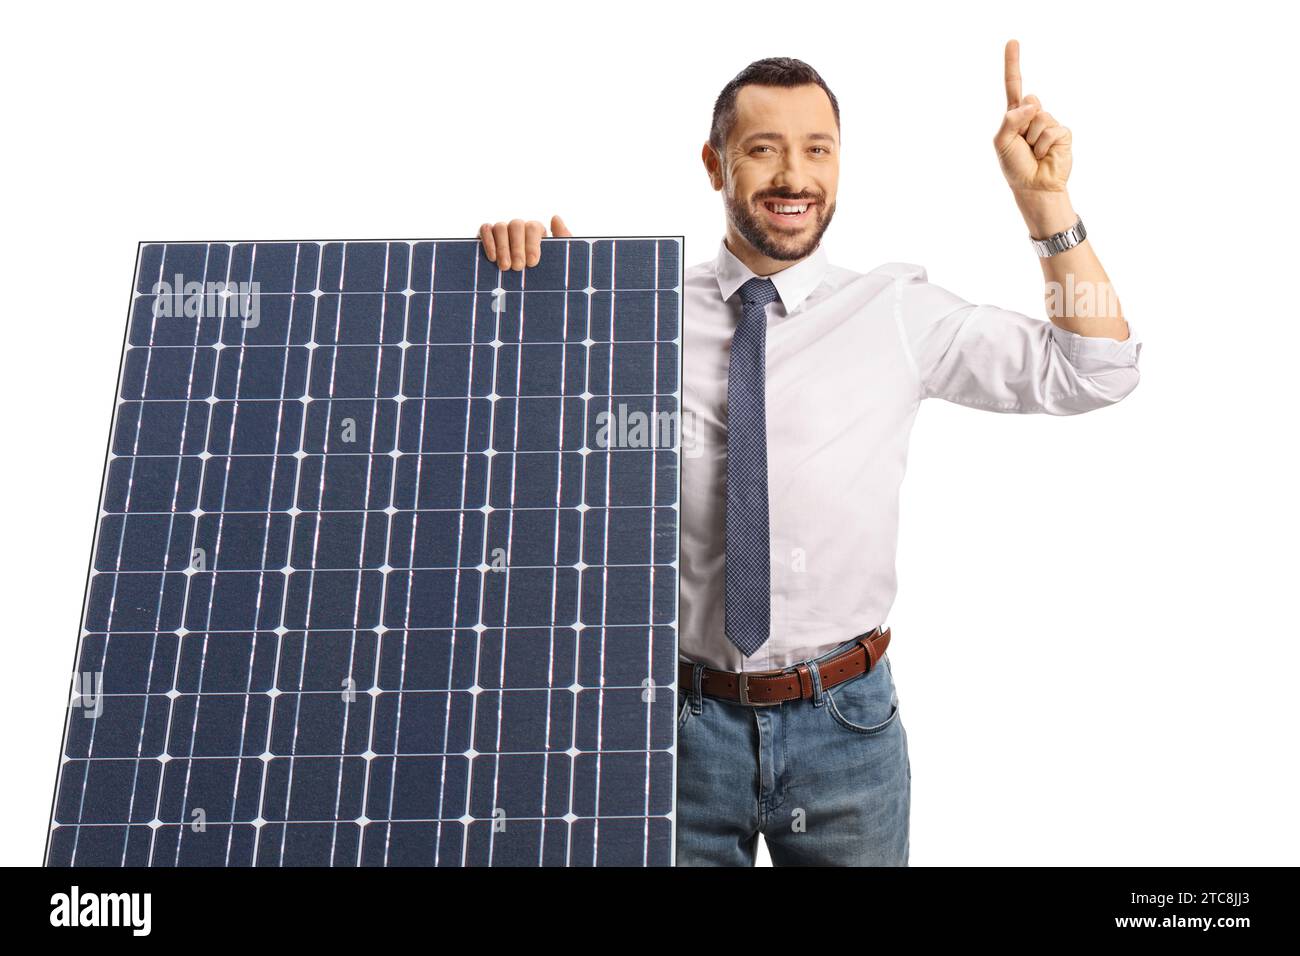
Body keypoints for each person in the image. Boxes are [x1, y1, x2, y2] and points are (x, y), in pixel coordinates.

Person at [475, 40, 1141, 866]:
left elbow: (1097, 370)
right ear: (715, 165)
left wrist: (1046, 203)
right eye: (763, 149)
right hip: (672, 731)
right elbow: (499, 452)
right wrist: (516, 294)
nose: (794, 176)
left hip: (846, 727)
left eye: (817, 150)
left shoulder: (895, 311)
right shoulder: (633, 314)